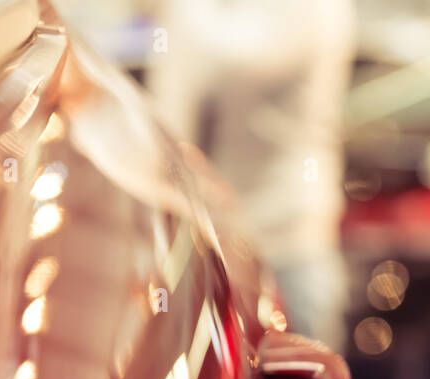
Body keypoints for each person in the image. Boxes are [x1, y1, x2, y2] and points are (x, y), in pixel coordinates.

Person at [147, 0, 354, 352]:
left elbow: (236, 63)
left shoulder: (313, 10)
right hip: (207, 248)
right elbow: (169, 125)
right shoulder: (199, 14)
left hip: (289, 246)